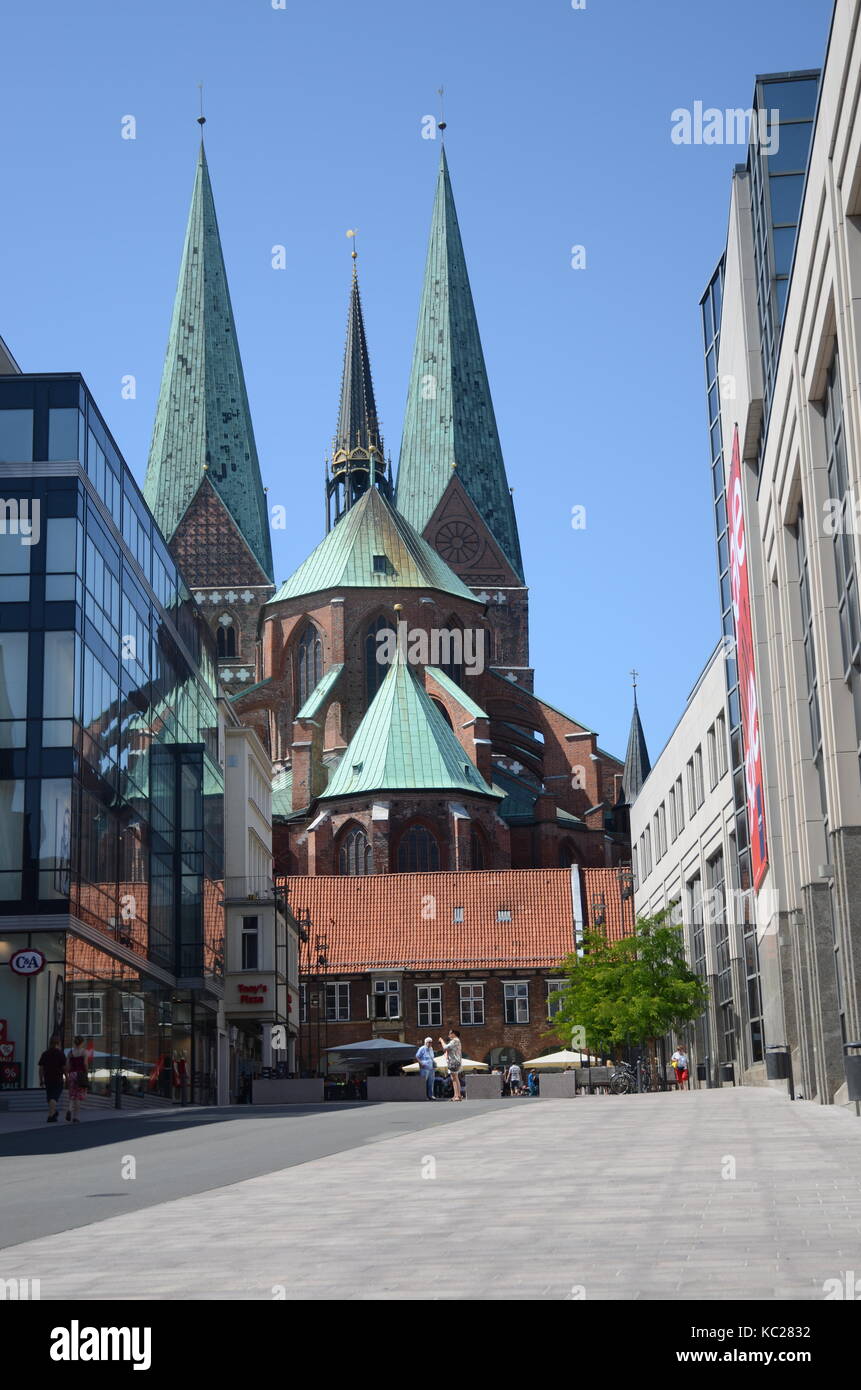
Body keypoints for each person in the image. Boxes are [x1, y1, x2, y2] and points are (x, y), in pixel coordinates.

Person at [38, 1035, 66, 1123]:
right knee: (54, 1097)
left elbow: (41, 1068)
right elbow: (64, 1067)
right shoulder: (60, 1054)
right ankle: (51, 1115)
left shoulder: (45, 1053)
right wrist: (67, 1077)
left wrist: (41, 1080)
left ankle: (53, 1113)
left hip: (47, 1078)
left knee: (50, 1097)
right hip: (57, 1078)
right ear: (58, 1043)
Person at [65, 1035, 89, 1122]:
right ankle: (76, 1117)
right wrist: (86, 1073)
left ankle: (69, 1109)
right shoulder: (84, 1052)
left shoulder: (70, 1052)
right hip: (80, 1074)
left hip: (72, 1074)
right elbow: (85, 1064)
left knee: (72, 1095)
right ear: (82, 1042)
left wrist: (68, 1074)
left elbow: (67, 1065)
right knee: (78, 1096)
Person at [439, 1028, 463, 1101]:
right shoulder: (457, 1041)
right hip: (456, 1061)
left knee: (454, 1079)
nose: (448, 1035)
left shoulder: (455, 1040)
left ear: (454, 1034)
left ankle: (456, 1096)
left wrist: (441, 1041)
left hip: (453, 1061)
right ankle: (458, 1095)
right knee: (455, 1078)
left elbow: (445, 1047)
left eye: (450, 1033)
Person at [415, 1036, 436, 1101]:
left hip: (431, 1068)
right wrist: (421, 1064)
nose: (430, 1044)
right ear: (425, 1042)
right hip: (424, 1068)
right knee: (424, 1083)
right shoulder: (422, 1048)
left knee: (431, 1082)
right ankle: (424, 1096)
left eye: (431, 1042)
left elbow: (432, 1057)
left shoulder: (431, 1048)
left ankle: (430, 1095)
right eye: (429, 1042)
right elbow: (417, 1056)